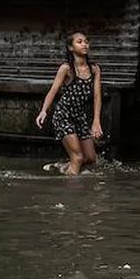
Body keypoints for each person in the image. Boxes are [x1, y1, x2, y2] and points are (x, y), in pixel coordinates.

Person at [36, 31, 103, 175]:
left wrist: (96, 121)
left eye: (86, 41)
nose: (84, 44)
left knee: (91, 159)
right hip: (63, 116)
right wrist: (43, 111)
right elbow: (53, 91)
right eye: (79, 42)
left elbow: (97, 96)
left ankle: (64, 167)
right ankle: (72, 192)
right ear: (70, 47)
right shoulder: (66, 69)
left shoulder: (95, 69)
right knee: (78, 157)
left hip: (80, 117)